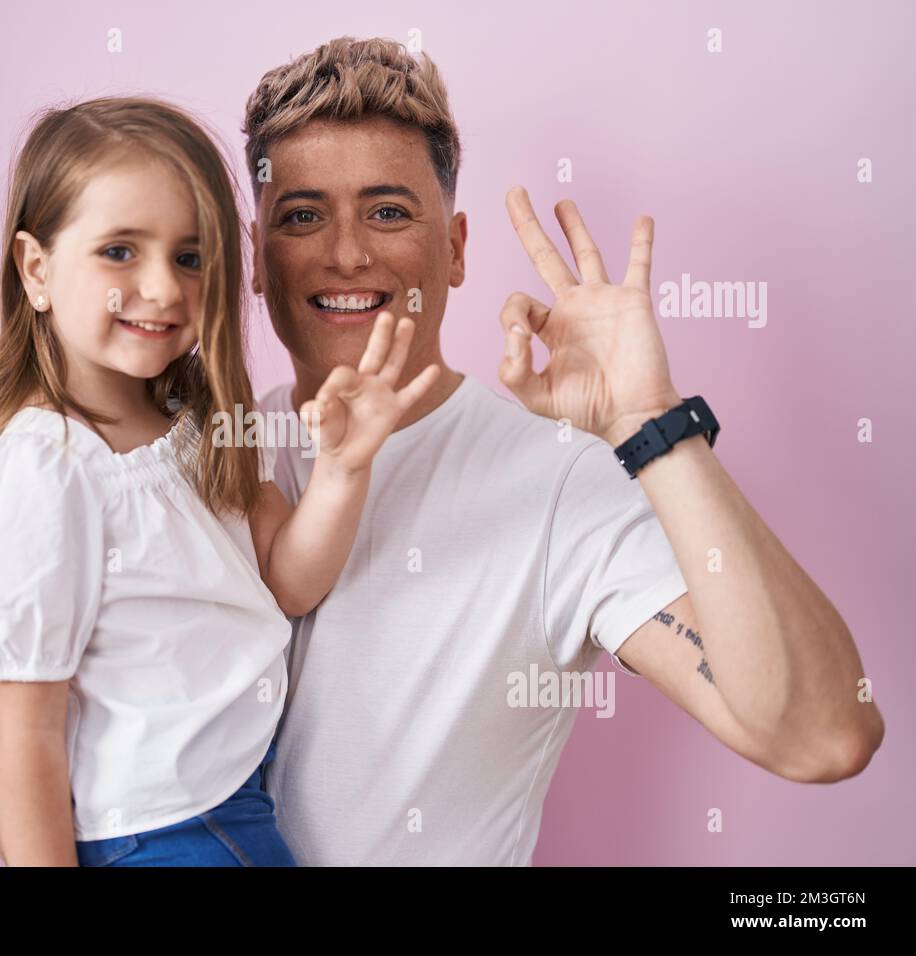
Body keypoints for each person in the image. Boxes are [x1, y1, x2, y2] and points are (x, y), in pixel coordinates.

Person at [242, 36, 885, 865]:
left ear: (458, 248)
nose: (346, 252)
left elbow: (825, 736)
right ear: (255, 253)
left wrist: (650, 423)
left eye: (389, 210)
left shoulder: (555, 482)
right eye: (301, 216)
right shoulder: (202, 459)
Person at [0, 96, 438, 866]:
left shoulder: (198, 424)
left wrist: (342, 469)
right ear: (37, 270)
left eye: (190, 257)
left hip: (234, 801)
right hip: (162, 832)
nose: (164, 288)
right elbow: (24, 736)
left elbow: (288, 580)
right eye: (119, 252)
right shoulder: (44, 470)